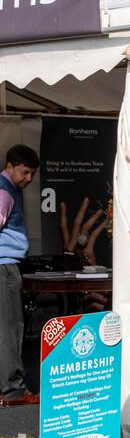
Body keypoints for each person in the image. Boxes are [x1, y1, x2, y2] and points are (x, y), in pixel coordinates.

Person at [0, 145, 39, 406]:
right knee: (10, 328)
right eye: (25, 172)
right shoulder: (4, 191)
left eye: (32, 174)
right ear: (10, 166)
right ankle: (13, 390)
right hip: (4, 267)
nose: (29, 179)